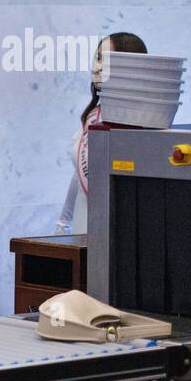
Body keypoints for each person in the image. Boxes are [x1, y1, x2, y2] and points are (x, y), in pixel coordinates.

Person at [55, 31, 147, 234]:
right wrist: (62, 226)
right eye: (97, 58)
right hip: (81, 233)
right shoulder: (92, 117)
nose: (97, 67)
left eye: (106, 61)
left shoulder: (141, 123)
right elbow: (79, 177)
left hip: (118, 233)